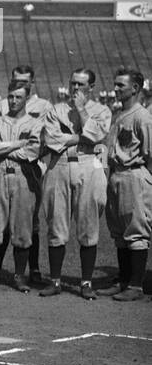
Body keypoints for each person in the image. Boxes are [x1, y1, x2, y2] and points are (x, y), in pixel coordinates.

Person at [38, 68, 110, 299]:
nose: (75, 89)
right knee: (56, 225)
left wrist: (81, 110)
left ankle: (86, 282)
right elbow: (51, 139)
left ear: (91, 87)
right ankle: (55, 280)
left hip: (89, 163)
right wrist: (81, 136)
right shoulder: (56, 109)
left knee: (89, 226)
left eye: (81, 85)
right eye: (73, 84)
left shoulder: (101, 110)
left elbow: (98, 137)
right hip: (59, 164)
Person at [0, 83, 44, 291]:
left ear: (27, 98)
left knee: (22, 228)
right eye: (11, 97)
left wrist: (3, 148)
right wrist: (18, 144)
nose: (14, 101)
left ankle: (18, 276)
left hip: (24, 176)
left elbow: (32, 152)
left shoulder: (35, 124)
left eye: (18, 97)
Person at [100, 68, 152, 302]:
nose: (116, 89)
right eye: (116, 84)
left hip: (134, 175)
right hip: (116, 175)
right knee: (119, 232)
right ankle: (123, 279)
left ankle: (136, 285)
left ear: (136, 88)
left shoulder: (142, 117)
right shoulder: (119, 113)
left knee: (136, 231)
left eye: (121, 85)